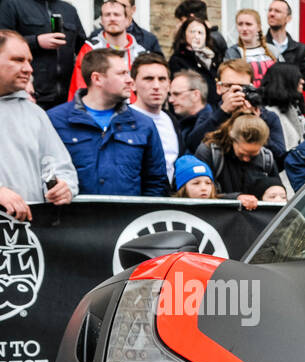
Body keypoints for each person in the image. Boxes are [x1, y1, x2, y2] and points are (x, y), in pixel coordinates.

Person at [49, 47, 167, 196]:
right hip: (74, 217)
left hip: (129, 218)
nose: (130, 80)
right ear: (97, 78)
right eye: (122, 74)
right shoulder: (56, 121)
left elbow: (156, 183)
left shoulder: (143, 125)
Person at [0, 29, 76, 219]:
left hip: (26, 239)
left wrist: (64, 187)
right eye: (18, 60)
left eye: (29, 61)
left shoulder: (35, 114)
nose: (29, 69)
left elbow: (61, 167)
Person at [185, 58, 286, 164]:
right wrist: (223, 112)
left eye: (243, 87)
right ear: (219, 88)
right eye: (228, 86)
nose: (236, 92)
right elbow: (193, 145)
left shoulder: (267, 116)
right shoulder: (210, 114)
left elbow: (279, 160)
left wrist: (255, 123)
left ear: (252, 87)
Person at [0, 0, 85, 108]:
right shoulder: (12, 4)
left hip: (67, 97)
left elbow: (83, 48)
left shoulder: (69, 9)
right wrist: (36, 41)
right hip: (30, 94)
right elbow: (2, 41)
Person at [194, 112, 277, 207]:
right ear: (232, 139)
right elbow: (197, 193)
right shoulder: (210, 153)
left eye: (253, 155)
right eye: (242, 154)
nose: (246, 159)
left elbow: (278, 191)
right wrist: (235, 198)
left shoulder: (266, 159)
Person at [69, 0, 140, 100]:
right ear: (101, 21)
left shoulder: (140, 53)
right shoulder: (89, 50)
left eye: (117, 15)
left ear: (128, 21)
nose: (112, 18)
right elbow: (79, 89)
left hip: (133, 113)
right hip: (99, 111)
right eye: (107, 15)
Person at [129, 53, 180, 182]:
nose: (156, 86)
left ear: (169, 84)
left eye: (162, 79)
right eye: (148, 79)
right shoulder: (123, 119)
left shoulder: (171, 120)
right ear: (133, 84)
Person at [169, 15, 219, 107]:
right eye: (192, 32)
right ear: (184, 34)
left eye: (200, 33)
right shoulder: (178, 59)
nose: (196, 36)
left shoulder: (212, 57)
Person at [264, 0, 305, 90]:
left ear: (288, 18)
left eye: (277, 11)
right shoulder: (260, 47)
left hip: (293, 101)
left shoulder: (300, 49)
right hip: (266, 101)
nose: (271, 14)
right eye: (270, 10)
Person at [222, 8, 276, 86]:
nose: (244, 28)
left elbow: (283, 75)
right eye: (240, 24)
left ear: (258, 27)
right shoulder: (232, 52)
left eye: (248, 24)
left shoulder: (272, 50)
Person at [259, 61, 304, 152]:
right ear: (286, 82)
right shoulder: (267, 115)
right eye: (297, 78)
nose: (303, 81)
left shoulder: (293, 108)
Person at [89, 0, 159, 54]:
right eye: (115, 4)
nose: (118, 8)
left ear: (133, 9)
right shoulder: (95, 38)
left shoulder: (149, 40)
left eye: (123, 6)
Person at [167, 68, 210, 147]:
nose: (170, 100)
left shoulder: (211, 125)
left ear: (196, 95)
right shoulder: (185, 123)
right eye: (170, 95)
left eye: (176, 94)